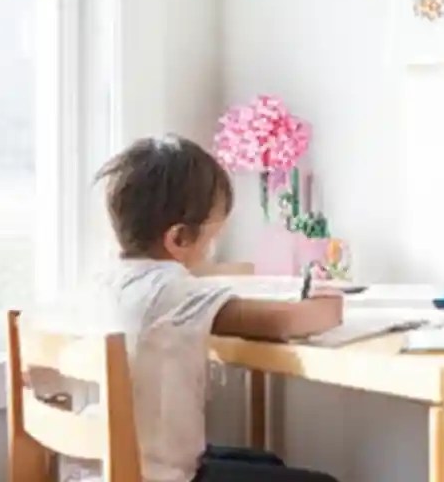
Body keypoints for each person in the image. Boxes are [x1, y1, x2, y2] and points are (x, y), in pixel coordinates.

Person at [94, 135, 342, 482]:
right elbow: (285, 323)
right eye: (211, 239)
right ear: (179, 238)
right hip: (157, 477)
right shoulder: (174, 291)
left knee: (268, 464)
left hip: (107, 468)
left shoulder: (106, 281)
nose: (211, 249)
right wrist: (331, 301)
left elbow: (206, 274)